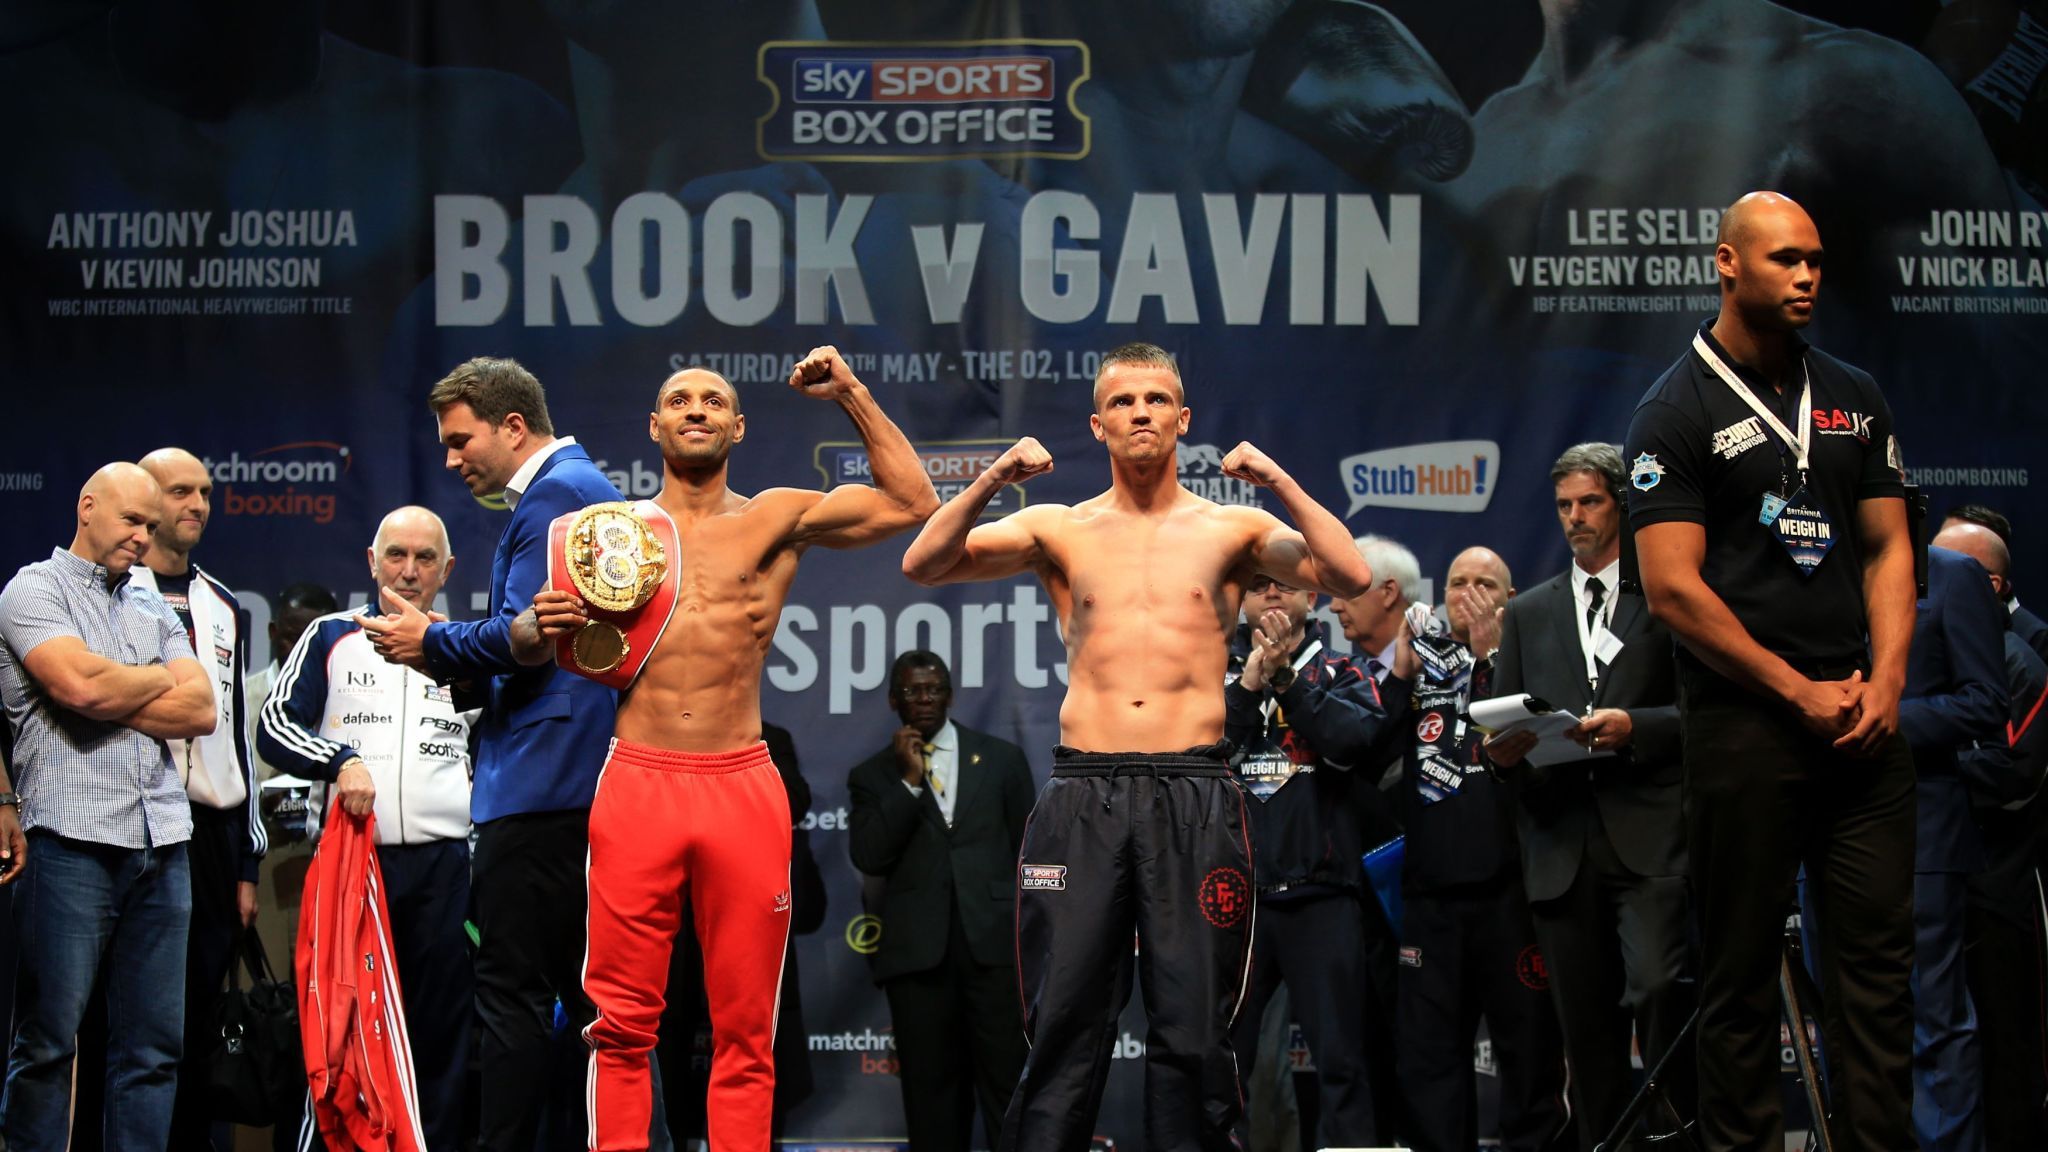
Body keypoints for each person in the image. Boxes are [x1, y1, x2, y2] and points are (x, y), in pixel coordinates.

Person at [900, 341, 1373, 1152]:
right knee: (1064, 1017)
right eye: (1122, 402)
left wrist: (1278, 481)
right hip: (1086, 791)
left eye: (1156, 400)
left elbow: (1350, 573)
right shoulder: (1059, 527)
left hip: (1194, 789)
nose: (1140, 413)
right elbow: (925, 562)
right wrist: (993, 478)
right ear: (1098, 425)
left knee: (1194, 1027)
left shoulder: (1233, 527)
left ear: (1183, 419)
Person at [516, 347, 938, 1151]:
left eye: (713, 401)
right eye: (680, 400)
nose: (697, 410)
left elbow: (912, 500)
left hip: (740, 786)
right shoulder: (611, 537)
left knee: (747, 1029)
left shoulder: (775, 518)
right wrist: (546, 626)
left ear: (739, 427)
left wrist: (849, 391)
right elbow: (554, 651)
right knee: (620, 1023)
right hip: (638, 783)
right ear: (654, 426)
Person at [1625, 190, 1918, 1150]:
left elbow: (1889, 547)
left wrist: (1887, 681)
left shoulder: (1853, 393)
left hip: (1861, 719)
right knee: (1739, 982)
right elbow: (1672, 590)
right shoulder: (1673, 411)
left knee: (1878, 980)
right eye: (1786, 259)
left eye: (1816, 261)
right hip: (1745, 725)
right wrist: (1796, 691)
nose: (1806, 277)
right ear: (1727, 263)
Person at [356, 356, 623, 1152]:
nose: (450, 460)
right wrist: (457, 658)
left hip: (545, 782)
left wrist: (433, 644)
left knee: (514, 997)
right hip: (558, 778)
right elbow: (535, 643)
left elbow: (534, 640)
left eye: (459, 440)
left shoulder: (557, 496)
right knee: (578, 999)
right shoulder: (568, 489)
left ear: (512, 426)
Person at [1483, 443, 1693, 1148]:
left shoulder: (1666, 594)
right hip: (1559, 844)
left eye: (1590, 502)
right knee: (1588, 1034)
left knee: (1660, 992)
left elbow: (1705, 716)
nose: (1575, 517)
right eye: (1565, 505)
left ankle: (1676, 1141)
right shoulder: (1528, 611)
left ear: (1622, 504)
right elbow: (1503, 725)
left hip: (1651, 842)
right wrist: (1500, 757)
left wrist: (1637, 728)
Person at [0, 462, 214, 1150]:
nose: (142, 537)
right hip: (69, 840)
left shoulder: (152, 607)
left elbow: (202, 709)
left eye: (150, 526)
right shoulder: (34, 589)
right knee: (48, 1043)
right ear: (87, 507)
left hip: (163, 842)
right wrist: (150, 681)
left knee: (154, 1050)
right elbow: (79, 688)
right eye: (131, 520)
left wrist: (108, 687)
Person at [260, 507, 478, 1149]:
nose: (409, 572)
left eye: (425, 558)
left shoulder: (466, 646)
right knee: (343, 1030)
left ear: (447, 569)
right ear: (371, 562)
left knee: (442, 1036)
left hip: (447, 871)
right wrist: (341, 760)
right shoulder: (331, 636)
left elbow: (495, 748)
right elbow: (274, 725)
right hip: (359, 868)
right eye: (396, 555)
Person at [1390, 547, 1568, 1152]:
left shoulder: (1536, 663)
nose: (1469, 594)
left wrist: (1492, 662)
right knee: (1428, 1059)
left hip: (1513, 895)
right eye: (1458, 582)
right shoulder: (1420, 671)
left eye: (1485, 583)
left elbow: (1550, 764)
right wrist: (1400, 675)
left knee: (1530, 1051)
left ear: (1510, 600)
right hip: (1431, 899)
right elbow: (1366, 749)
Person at [117, 446, 263, 1151]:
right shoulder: (111, 591)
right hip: (129, 818)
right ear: (144, 500)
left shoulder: (223, 603)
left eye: (204, 491)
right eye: (180, 491)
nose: (198, 504)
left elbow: (234, 735)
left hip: (210, 830)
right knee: (128, 1015)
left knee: (204, 1012)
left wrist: (246, 863)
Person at [1223, 573, 1398, 1148]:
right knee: (1223, 1064)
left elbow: (1351, 742)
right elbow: (1203, 758)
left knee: (1342, 1063)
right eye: (1258, 585)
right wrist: (1248, 688)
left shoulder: (1346, 672)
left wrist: (1287, 682)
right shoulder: (1215, 675)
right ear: (1240, 600)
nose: (1272, 593)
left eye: (1284, 584)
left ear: (1312, 597)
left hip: (1323, 896)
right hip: (1236, 903)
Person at [847, 650, 1035, 1152]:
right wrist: (909, 783)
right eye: (912, 691)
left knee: (1008, 1089)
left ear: (950, 696)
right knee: (931, 1099)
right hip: (917, 960)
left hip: (993, 952)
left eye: (933, 689)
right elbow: (869, 856)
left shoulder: (1001, 759)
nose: (924, 699)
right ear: (894, 701)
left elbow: (1027, 853)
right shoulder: (873, 775)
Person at [1934, 519, 2048, 1150]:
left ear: (1989, 583)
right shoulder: (1934, 653)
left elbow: (2011, 777)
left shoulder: (2019, 662)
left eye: (1941, 572)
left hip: (1999, 886)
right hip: (1938, 880)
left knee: (2005, 1041)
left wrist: (1925, 759)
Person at [1890, 544, 2008, 1152]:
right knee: (1842, 1021)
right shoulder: (1812, 566)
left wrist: (1884, 715)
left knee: (1934, 1021)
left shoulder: (1951, 574)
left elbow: (1986, 700)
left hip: (1924, 829)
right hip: (1822, 826)